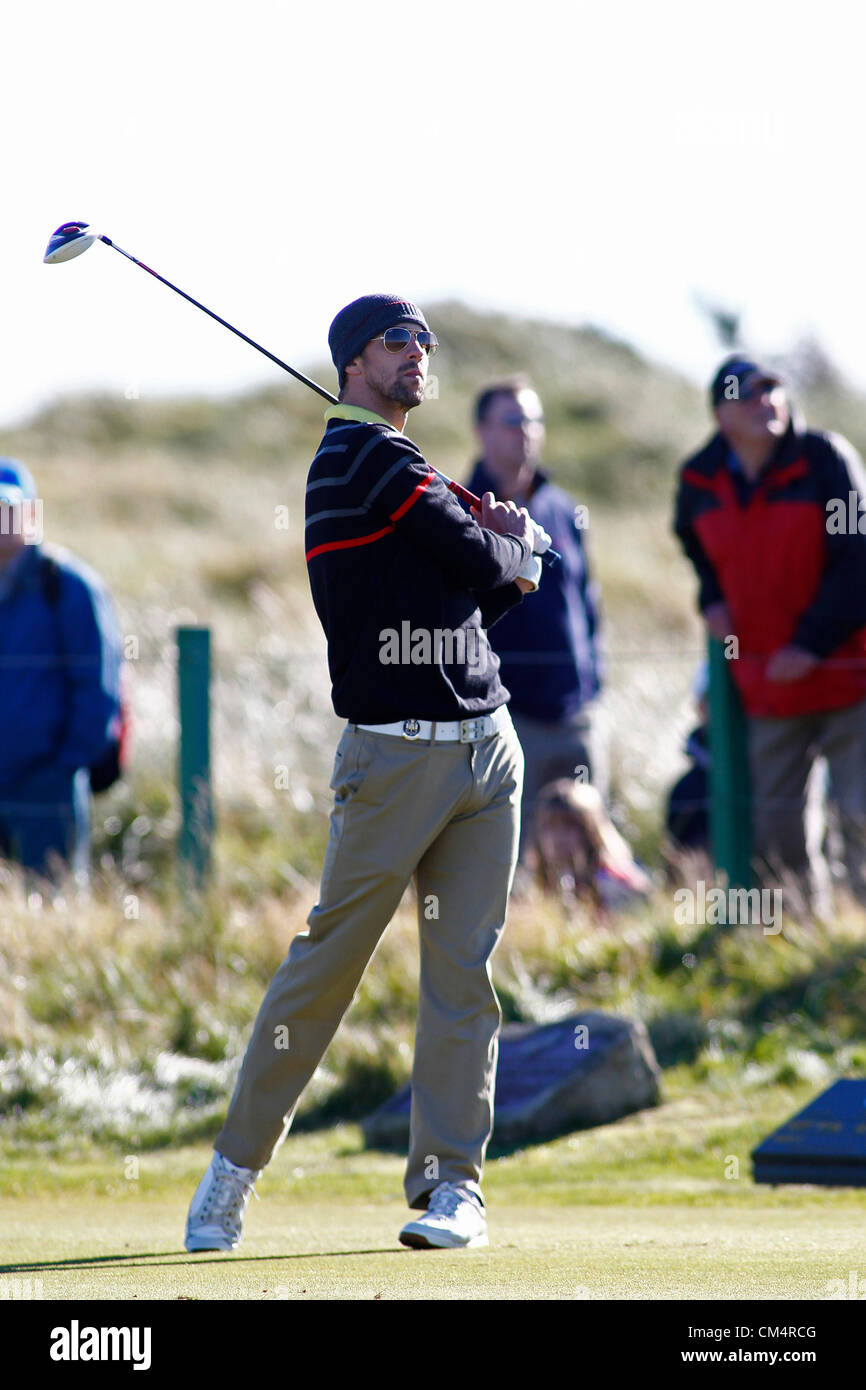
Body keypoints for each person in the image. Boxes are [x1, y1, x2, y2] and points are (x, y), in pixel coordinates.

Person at [185, 295, 543, 1254]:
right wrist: (515, 546)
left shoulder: (399, 465)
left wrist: (511, 561)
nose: (418, 352)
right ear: (354, 363)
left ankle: (452, 1188)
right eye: (398, 340)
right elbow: (473, 556)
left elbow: (467, 607)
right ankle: (232, 1173)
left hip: (487, 750)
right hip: (394, 759)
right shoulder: (361, 458)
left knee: (463, 978)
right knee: (327, 967)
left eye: (426, 339)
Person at [673, 356, 866, 910]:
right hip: (768, 688)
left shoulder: (824, 459)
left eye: (773, 389)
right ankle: (802, 938)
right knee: (779, 830)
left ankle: (856, 943)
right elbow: (695, 545)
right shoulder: (698, 479)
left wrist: (810, 646)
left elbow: (858, 561)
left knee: (859, 818)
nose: (766, 401)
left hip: (849, 679)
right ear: (721, 414)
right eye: (749, 394)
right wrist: (711, 598)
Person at [466, 377, 603, 859]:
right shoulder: (460, 506)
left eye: (533, 420)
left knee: (588, 852)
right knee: (510, 857)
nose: (525, 431)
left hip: (577, 714)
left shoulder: (562, 508)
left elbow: (588, 600)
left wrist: (594, 684)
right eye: (512, 420)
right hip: (506, 716)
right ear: (482, 431)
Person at [0, 459, 122, 882]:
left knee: (53, 903)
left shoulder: (69, 586)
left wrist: (63, 768)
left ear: (31, 514)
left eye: (8, 509)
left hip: (46, 789)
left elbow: (98, 688)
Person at [530, 778, 651, 913]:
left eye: (569, 825)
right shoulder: (534, 884)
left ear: (591, 831)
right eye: (550, 826)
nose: (559, 837)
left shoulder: (614, 883)